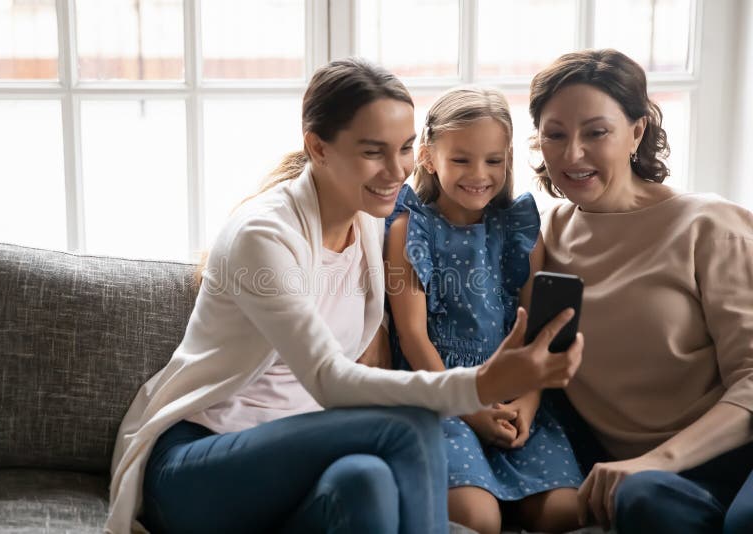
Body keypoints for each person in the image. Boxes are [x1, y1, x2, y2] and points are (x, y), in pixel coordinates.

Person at [105, 58, 583, 534]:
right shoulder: (264, 235)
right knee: (406, 426)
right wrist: (477, 387)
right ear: (318, 148)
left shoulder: (372, 220)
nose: (396, 171)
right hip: (201, 467)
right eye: (374, 151)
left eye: (404, 148)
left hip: (301, 469)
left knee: (368, 481)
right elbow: (328, 379)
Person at [530, 48, 753, 534]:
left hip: (737, 448)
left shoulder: (709, 226)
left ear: (636, 131)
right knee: (640, 500)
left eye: (596, 132)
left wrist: (660, 457)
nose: (572, 154)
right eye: (555, 135)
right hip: (654, 479)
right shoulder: (544, 239)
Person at [384, 87, 582, 534]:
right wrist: (469, 408)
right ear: (429, 157)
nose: (479, 174)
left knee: (565, 513)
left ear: (507, 159)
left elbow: (538, 333)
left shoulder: (517, 226)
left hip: (515, 393)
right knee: (479, 520)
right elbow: (413, 338)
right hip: (442, 398)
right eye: (461, 160)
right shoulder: (409, 228)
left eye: (493, 160)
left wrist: (527, 407)